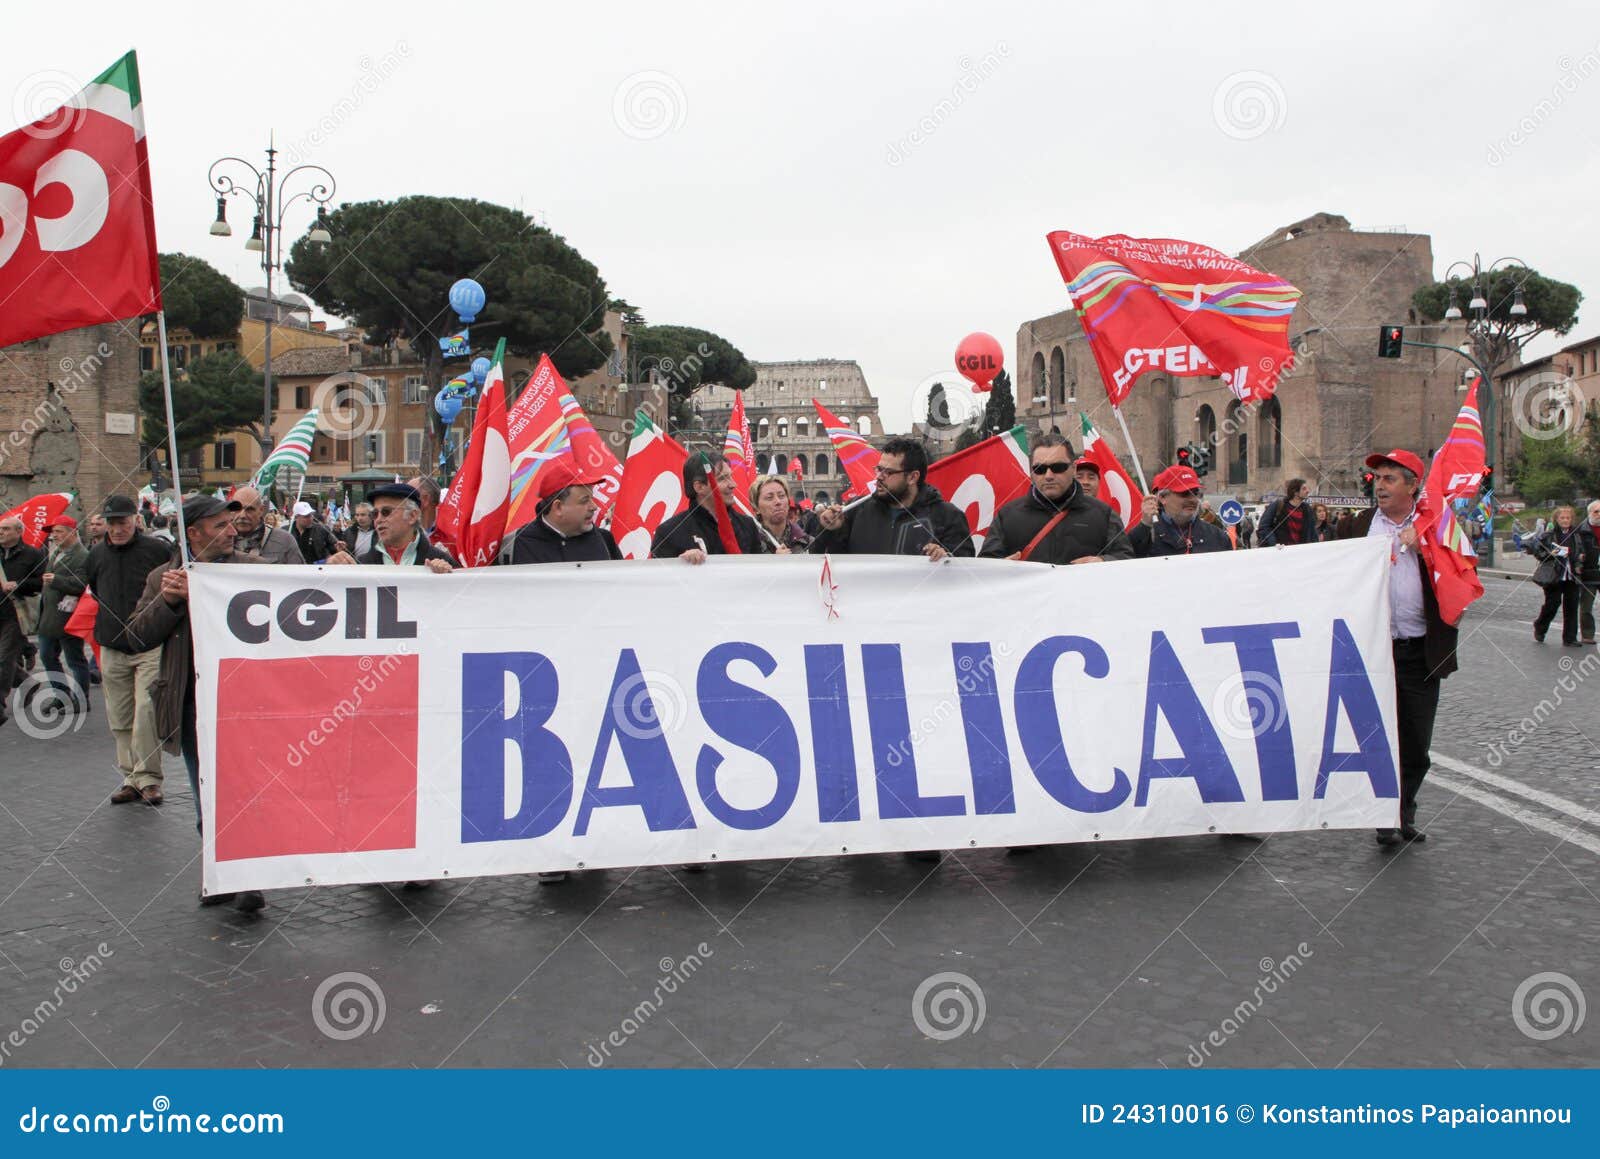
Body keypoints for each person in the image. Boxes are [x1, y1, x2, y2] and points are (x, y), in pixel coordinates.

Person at [128, 495, 267, 913]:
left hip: (246, 703)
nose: (232, 531)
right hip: (191, 704)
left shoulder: (254, 570)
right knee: (205, 792)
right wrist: (170, 602)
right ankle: (220, 870)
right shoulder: (163, 578)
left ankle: (250, 875)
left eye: (232, 523)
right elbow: (136, 635)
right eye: (220, 525)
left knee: (246, 792)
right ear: (193, 533)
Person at [1336, 450, 1458, 845]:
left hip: (1418, 650)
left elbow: (1462, 575)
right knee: (1373, 736)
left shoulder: (1438, 525)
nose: (1380, 485)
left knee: (1416, 742)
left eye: (1390, 478)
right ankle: (1384, 813)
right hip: (1370, 651)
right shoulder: (1355, 526)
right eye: (1377, 478)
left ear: (1412, 485)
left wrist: (1427, 549)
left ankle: (1403, 809)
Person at [84, 495, 173, 803]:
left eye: (122, 522)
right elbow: (96, 590)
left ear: (136, 519)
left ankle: (149, 778)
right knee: (120, 716)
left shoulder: (157, 550)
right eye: (112, 523)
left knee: (146, 711)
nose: (117, 529)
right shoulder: (96, 554)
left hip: (149, 643)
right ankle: (131, 778)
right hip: (112, 645)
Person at [809, 437, 974, 561]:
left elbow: (966, 573)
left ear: (912, 477)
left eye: (888, 472)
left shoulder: (948, 516)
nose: (879, 477)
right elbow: (824, 561)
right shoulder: (856, 510)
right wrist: (829, 530)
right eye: (878, 469)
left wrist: (947, 558)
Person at [979, 433, 1133, 564]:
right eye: (1040, 469)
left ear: (1073, 469)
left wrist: (1103, 562)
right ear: (1031, 472)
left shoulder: (1103, 514)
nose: (1048, 476)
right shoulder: (1007, 515)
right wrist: (1001, 568)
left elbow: (1126, 560)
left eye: (1058, 467)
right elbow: (985, 567)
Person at [504, 461, 624, 564]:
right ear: (558, 507)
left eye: (592, 498)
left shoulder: (605, 540)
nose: (594, 507)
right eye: (584, 500)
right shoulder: (513, 545)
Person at [652, 453, 765, 561]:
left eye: (731, 476)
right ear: (699, 487)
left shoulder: (747, 525)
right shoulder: (668, 532)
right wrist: (680, 563)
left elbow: (758, 570)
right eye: (722, 478)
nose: (733, 484)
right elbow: (659, 573)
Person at [326, 483, 459, 571]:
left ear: (412, 516)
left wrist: (447, 576)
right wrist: (331, 571)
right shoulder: (361, 564)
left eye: (386, 512)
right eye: (375, 514)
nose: (378, 519)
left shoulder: (442, 561)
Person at [36, 516, 93, 716]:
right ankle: (61, 695)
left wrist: (57, 580)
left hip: (69, 618)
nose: (54, 536)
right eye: (53, 532)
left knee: (75, 659)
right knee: (46, 656)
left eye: (59, 531)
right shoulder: (56, 552)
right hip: (49, 617)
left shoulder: (83, 555)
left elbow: (82, 584)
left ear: (72, 532)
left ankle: (81, 699)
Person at [0, 515, 46, 728]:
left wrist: (18, 584)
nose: (1, 532)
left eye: (6, 529)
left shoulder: (32, 554)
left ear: (19, 532)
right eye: (0, 528)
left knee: (4, 658)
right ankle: (27, 682)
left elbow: (42, 582)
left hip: (16, 614)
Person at [1130, 465, 1234, 557]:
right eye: (1184, 494)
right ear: (1162, 498)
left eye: (1195, 493)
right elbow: (1126, 557)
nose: (1192, 499)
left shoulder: (1218, 537)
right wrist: (1144, 526)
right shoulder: (1146, 535)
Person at [1531, 505, 1584, 647]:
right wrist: (1549, 554)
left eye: (1568, 518)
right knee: (1552, 604)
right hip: (1554, 575)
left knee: (1572, 606)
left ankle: (1570, 638)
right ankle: (1540, 626)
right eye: (1562, 518)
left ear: (1572, 519)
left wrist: (1579, 559)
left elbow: (1581, 551)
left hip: (1571, 575)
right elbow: (1537, 551)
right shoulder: (1548, 535)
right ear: (1557, 519)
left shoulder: (1577, 534)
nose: (1565, 520)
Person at [232, 487, 304, 563]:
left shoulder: (284, 540)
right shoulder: (223, 541)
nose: (242, 515)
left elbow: (298, 570)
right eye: (237, 509)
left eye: (249, 509)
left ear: (261, 510)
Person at [750, 475, 810, 552]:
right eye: (769, 498)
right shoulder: (747, 542)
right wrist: (775, 559)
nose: (778, 502)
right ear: (756, 508)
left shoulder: (805, 541)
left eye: (781, 496)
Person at [406, 475, 457, 557]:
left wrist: (448, 560)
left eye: (408, 495)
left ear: (425, 499)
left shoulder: (454, 533)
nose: (402, 501)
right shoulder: (401, 532)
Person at [1258, 478, 1315, 546]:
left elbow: (1312, 531)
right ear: (1295, 492)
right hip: (1281, 549)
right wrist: (1274, 543)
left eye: (1307, 488)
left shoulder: (1307, 509)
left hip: (1301, 550)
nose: (1308, 491)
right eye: (1304, 489)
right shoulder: (1278, 505)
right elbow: (1264, 526)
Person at [1577, 500, 1600, 645]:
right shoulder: (1581, 530)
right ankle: (1587, 635)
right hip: (1588, 573)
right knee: (1586, 607)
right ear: (1589, 513)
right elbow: (1575, 549)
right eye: (1596, 511)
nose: (1599, 514)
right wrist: (1578, 561)